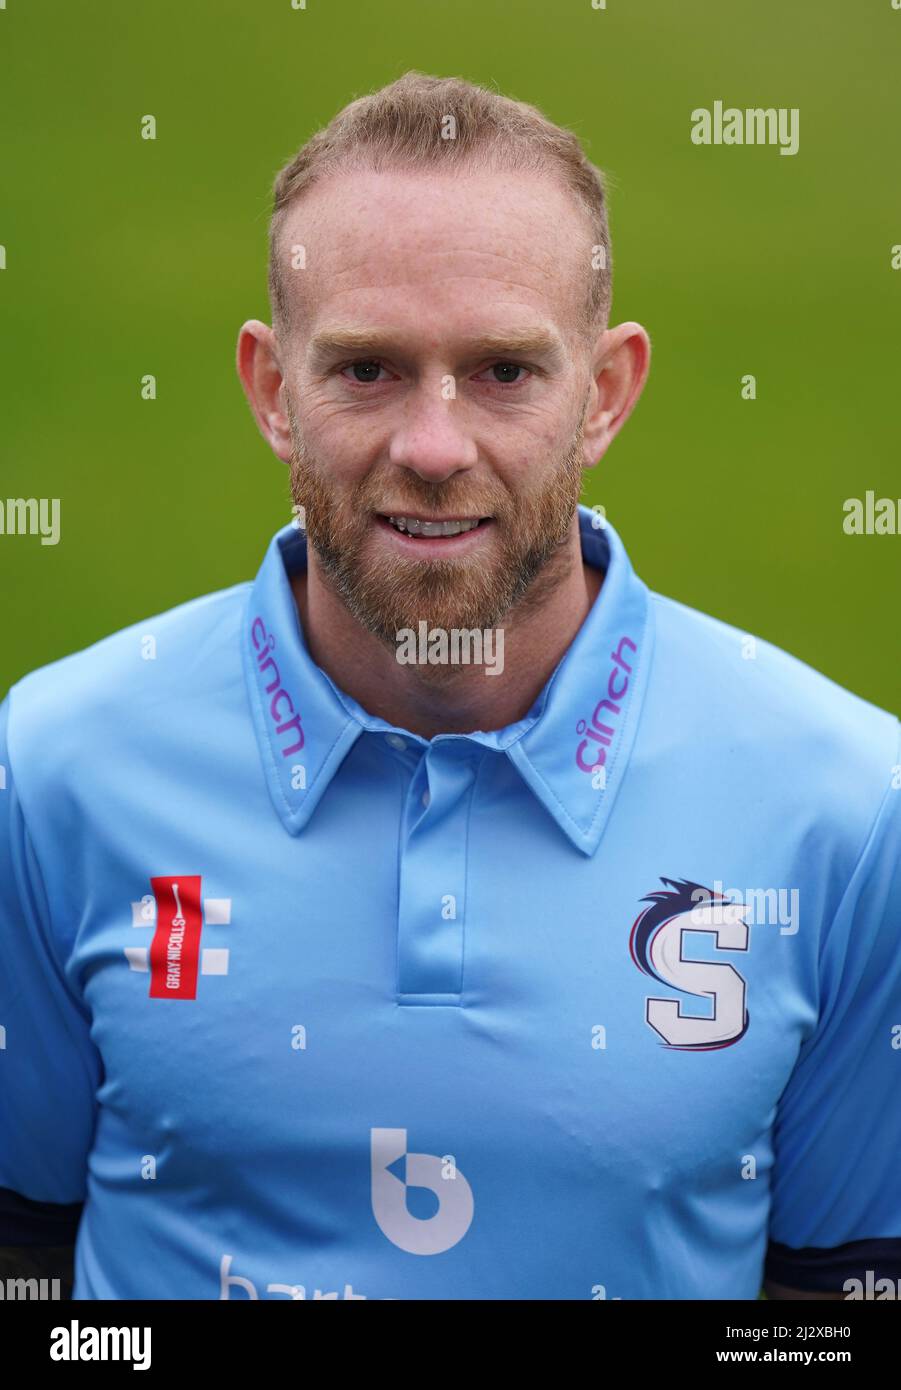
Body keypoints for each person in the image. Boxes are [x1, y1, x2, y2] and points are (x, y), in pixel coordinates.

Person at [1, 72, 898, 1301]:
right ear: (273, 391)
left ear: (605, 393)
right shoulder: (50, 772)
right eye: (366, 370)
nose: (432, 448)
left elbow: (836, 1304)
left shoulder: (847, 812)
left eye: (504, 373)